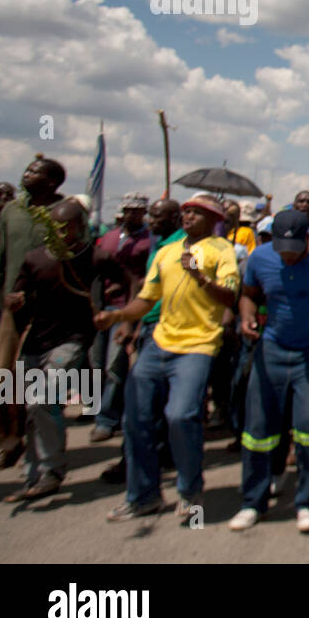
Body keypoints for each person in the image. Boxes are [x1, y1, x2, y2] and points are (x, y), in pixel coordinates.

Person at [94, 195, 239, 523]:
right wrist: (116, 319)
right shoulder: (166, 252)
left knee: (181, 416)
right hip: (158, 344)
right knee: (137, 420)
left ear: (213, 218)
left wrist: (202, 277)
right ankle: (143, 496)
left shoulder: (222, 250)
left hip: (198, 346)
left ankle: (190, 494)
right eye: (185, 211)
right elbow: (146, 300)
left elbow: (230, 294)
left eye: (196, 212)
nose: (187, 215)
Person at [228, 211, 309, 532]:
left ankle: (307, 502)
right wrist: (247, 318)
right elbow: (248, 297)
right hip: (271, 351)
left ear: (308, 238)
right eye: (281, 247)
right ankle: (252, 501)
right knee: (257, 431)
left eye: (294, 247)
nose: (287, 254)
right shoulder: (260, 258)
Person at [2, 200, 123, 501]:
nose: (60, 231)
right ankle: (36, 472)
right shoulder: (34, 259)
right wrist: (14, 300)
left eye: (67, 225)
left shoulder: (95, 256)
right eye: (54, 226)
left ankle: (51, 470)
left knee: (43, 400)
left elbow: (131, 282)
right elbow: (17, 294)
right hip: (36, 340)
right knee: (31, 406)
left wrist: (116, 308)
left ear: (81, 227)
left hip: (73, 340)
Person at [97, 198, 185, 485]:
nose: (152, 220)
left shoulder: (183, 246)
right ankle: (141, 459)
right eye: (152, 215)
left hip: (172, 329)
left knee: (151, 403)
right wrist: (129, 321)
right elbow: (145, 287)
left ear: (176, 218)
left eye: (158, 216)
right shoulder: (157, 244)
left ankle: (151, 459)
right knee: (143, 402)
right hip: (149, 325)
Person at [0, 156, 67, 468]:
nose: (26, 174)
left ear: (52, 182)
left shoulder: (65, 213)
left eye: (34, 171)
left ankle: (44, 455)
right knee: (4, 377)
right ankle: (10, 438)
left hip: (51, 312)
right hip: (12, 310)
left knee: (40, 386)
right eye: (26, 169)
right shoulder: (11, 211)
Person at [89, 192, 153, 443]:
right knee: (96, 363)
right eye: (127, 210)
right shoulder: (109, 238)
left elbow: (145, 278)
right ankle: (93, 408)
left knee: (114, 364)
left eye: (136, 211)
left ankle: (106, 419)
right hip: (101, 307)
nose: (131, 215)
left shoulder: (148, 241)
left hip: (126, 307)